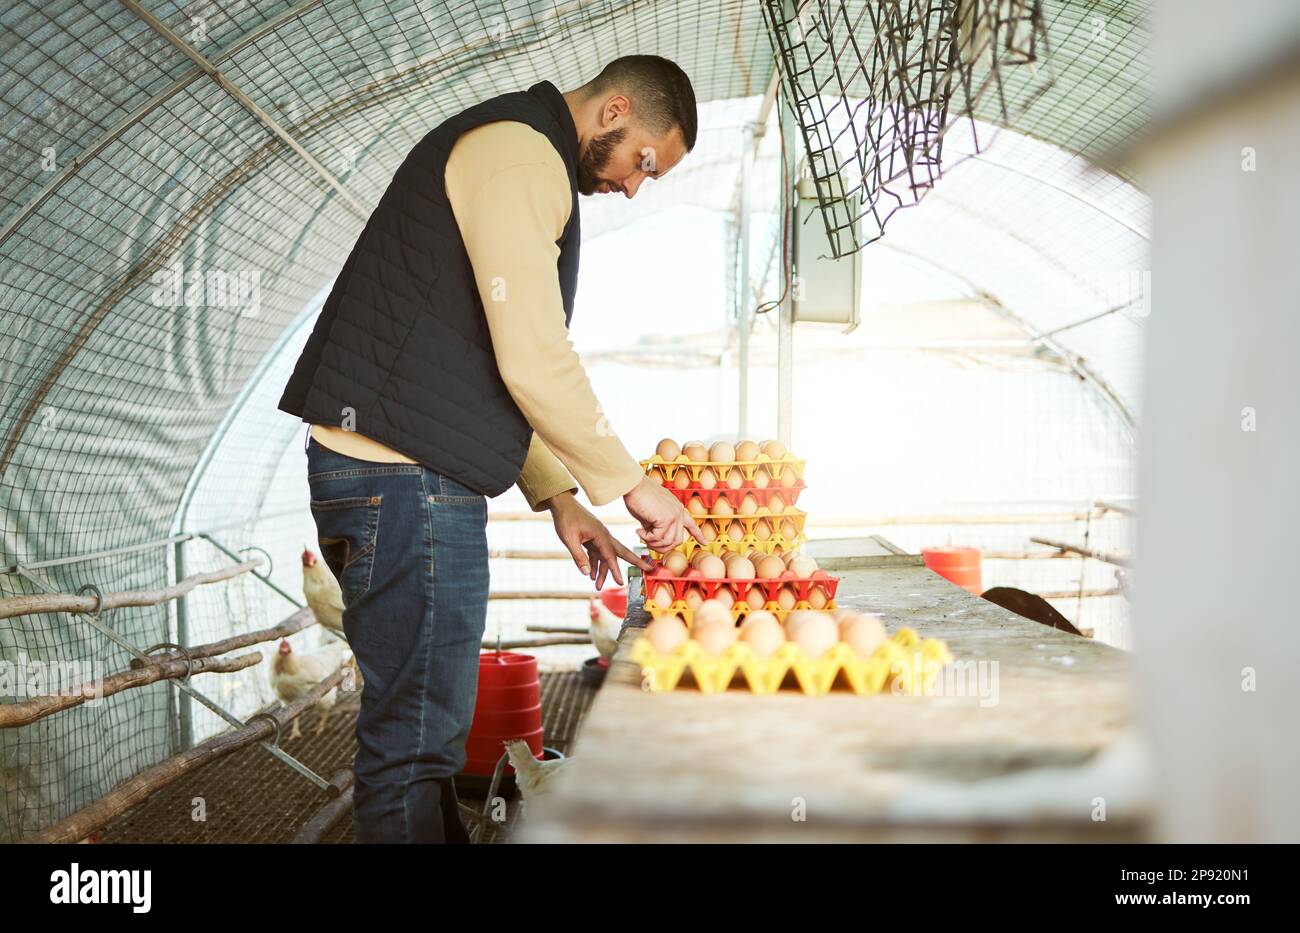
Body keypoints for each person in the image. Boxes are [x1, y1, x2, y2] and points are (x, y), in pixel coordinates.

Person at [276, 56, 704, 843]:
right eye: (645, 161)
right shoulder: (519, 153)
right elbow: (532, 356)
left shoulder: (517, 150)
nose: (636, 186)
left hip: (389, 471)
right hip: (398, 480)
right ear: (613, 111)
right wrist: (632, 485)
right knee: (414, 739)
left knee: (422, 730)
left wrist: (559, 495)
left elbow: (480, 353)